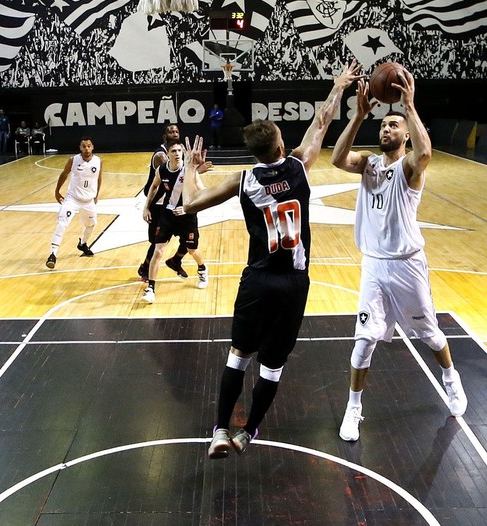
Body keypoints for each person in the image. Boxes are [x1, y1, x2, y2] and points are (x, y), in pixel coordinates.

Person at [183, 62, 357, 459]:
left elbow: (192, 200)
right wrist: (337, 88)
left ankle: (219, 430)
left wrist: (193, 170)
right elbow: (322, 121)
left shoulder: (242, 181)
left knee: (239, 355)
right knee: (272, 366)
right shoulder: (298, 167)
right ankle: (248, 433)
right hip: (294, 283)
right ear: (281, 147)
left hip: (258, 281)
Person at [329, 72, 467, 443]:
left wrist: (409, 106)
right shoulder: (370, 165)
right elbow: (338, 159)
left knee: (430, 334)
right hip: (374, 264)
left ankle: (451, 379)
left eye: (394, 125)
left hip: (407, 265)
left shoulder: (408, 169)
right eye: (384, 124)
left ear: (405, 134)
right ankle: (353, 408)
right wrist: (358, 116)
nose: (386, 128)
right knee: (364, 340)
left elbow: (425, 154)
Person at [139, 142, 209, 303]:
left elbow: (203, 191)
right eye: (173, 151)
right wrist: (146, 208)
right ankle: (150, 288)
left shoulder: (189, 170)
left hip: (187, 216)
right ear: (168, 153)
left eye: (179, 150)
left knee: (192, 250)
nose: (177, 153)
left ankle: (202, 269)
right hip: (167, 215)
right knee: (158, 251)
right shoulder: (161, 169)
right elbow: (154, 187)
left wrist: (186, 208)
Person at [46, 137, 102, 269]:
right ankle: (52, 254)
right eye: (84, 146)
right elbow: (64, 174)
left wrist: (97, 194)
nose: (86, 149)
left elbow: (99, 177)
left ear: (92, 147)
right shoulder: (73, 160)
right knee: (62, 224)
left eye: (89, 146)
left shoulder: (98, 161)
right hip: (73, 199)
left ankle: (82, 244)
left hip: (88, 200)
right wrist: (57, 191)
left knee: (92, 225)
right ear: (80, 148)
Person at [136, 123, 180, 284]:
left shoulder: (176, 151)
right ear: (164, 136)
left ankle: (175, 261)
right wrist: (147, 207)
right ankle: (145, 268)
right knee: (158, 240)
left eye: (176, 131)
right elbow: (160, 183)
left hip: (167, 201)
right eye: (171, 131)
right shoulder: (161, 155)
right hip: (157, 203)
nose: (174, 133)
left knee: (182, 236)